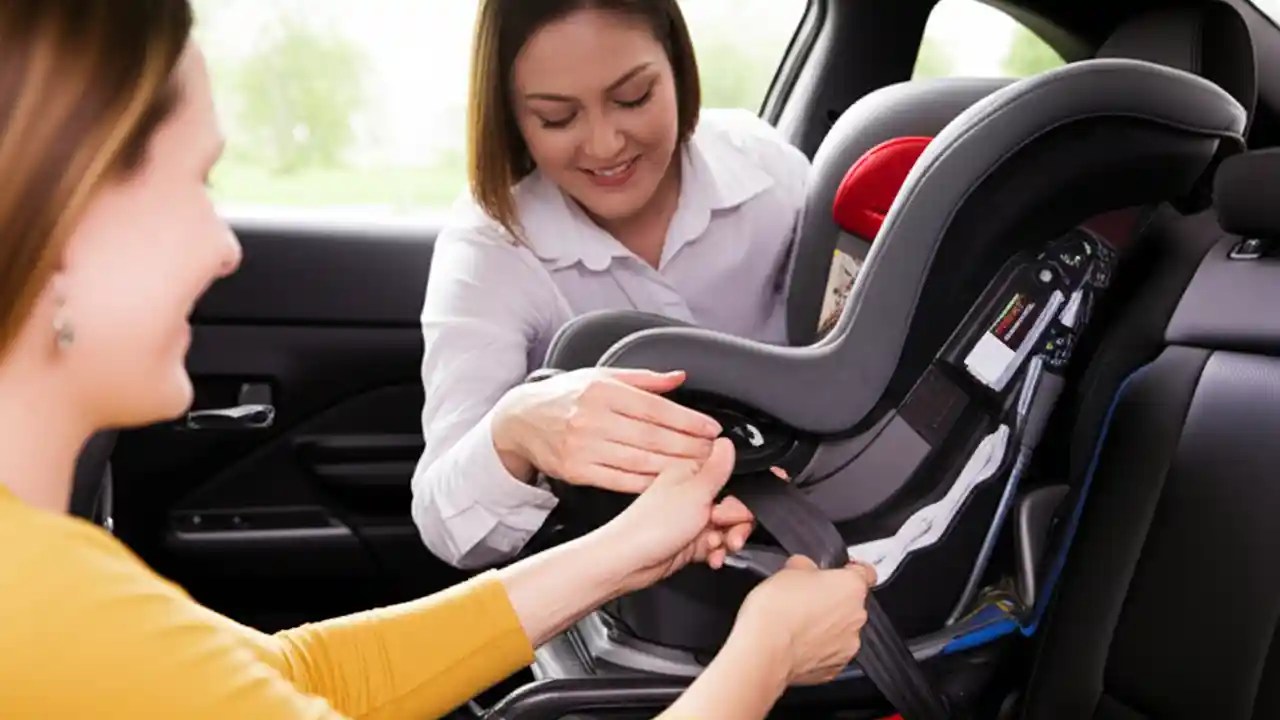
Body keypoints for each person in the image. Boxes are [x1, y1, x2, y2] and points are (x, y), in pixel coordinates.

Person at [0, 2, 875, 719]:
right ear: (58, 227)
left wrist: (632, 550)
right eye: (196, 184)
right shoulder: (51, 618)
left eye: (631, 96)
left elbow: (300, 673)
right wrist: (766, 656)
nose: (224, 248)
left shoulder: (62, 590)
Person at [412, 0, 812, 569]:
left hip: (809, 545)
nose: (604, 146)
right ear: (512, 118)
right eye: (557, 118)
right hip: (620, 590)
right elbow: (446, 524)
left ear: (676, 64)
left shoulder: (769, 171)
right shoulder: (492, 246)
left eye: (633, 99)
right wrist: (516, 431)